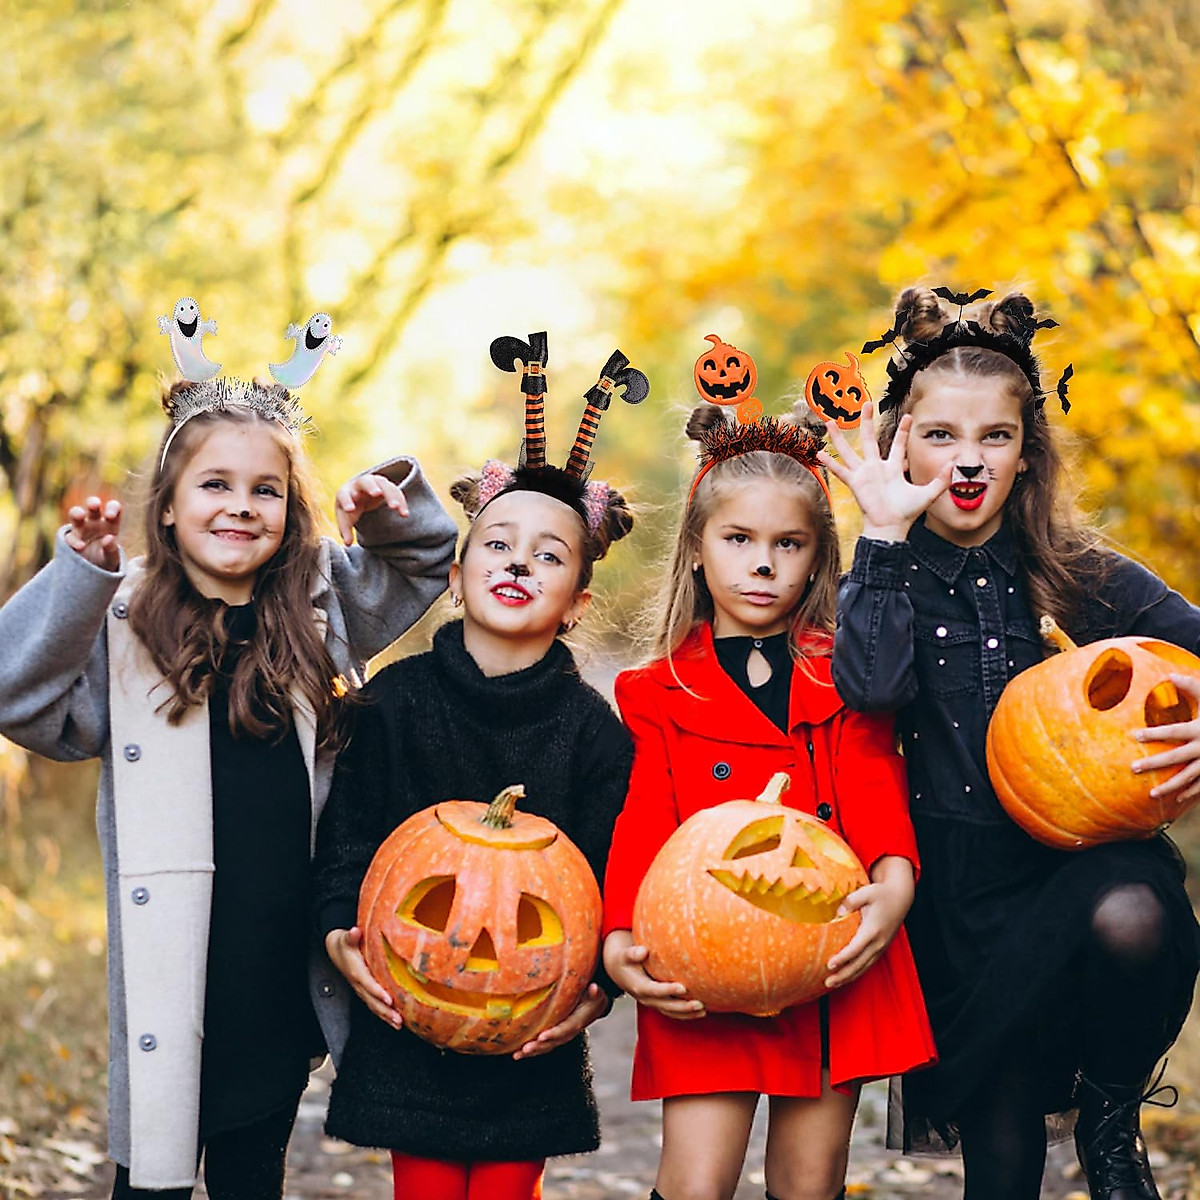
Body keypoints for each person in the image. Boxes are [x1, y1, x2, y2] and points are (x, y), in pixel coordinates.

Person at [0, 373, 458, 1198]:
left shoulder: (316, 608)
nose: (240, 505)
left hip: (273, 970)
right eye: (215, 484)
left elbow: (426, 557)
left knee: (253, 1173)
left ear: (290, 512)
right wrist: (82, 577)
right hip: (174, 963)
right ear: (168, 507)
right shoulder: (127, 621)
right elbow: (16, 694)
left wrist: (383, 505)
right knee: (152, 1178)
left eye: (265, 490)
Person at [822, 285, 1200, 1200]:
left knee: (1138, 913)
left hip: (1088, 858)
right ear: (898, 442)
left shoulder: (1085, 574)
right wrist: (879, 532)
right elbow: (869, 687)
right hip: (963, 897)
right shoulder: (883, 575)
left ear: (1027, 453)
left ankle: (1112, 1116)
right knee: (1001, 1164)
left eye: (994, 436)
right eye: (940, 434)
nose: (968, 458)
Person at [313, 334, 643, 1200]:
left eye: (549, 556)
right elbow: (347, 835)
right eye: (499, 545)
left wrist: (598, 990)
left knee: (504, 1190)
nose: (519, 565)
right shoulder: (393, 702)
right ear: (457, 576)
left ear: (576, 605)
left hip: (529, 1020)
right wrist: (341, 931)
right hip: (411, 1002)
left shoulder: (594, 735)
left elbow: (616, 878)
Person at [602, 380, 935, 1200]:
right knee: (695, 1181)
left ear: (818, 556)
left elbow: (872, 782)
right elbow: (644, 823)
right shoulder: (658, 692)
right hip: (702, 959)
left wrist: (894, 884)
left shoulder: (845, 674)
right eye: (739, 538)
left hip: (828, 956)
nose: (762, 562)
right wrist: (618, 942)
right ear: (696, 545)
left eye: (789, 544)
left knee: (809, 1180)